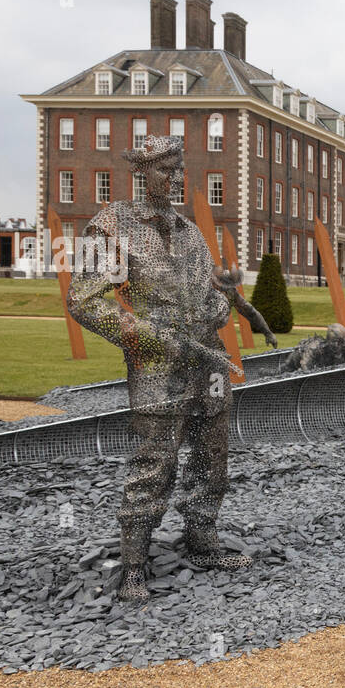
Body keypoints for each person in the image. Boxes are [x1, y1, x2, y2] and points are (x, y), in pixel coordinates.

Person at [68, 135, 269, 602]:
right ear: (141, 173)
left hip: (209, 362)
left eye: (179, 171)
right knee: (154, 463)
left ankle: (202, 539)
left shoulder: (189, 232)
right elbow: (84, 300)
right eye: (165, 170)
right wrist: (155, 338)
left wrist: (222, 305)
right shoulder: (109, 226)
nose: (175, 179)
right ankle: (134, 562)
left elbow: (207, 292)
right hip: (157, 364)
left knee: (212, 455)